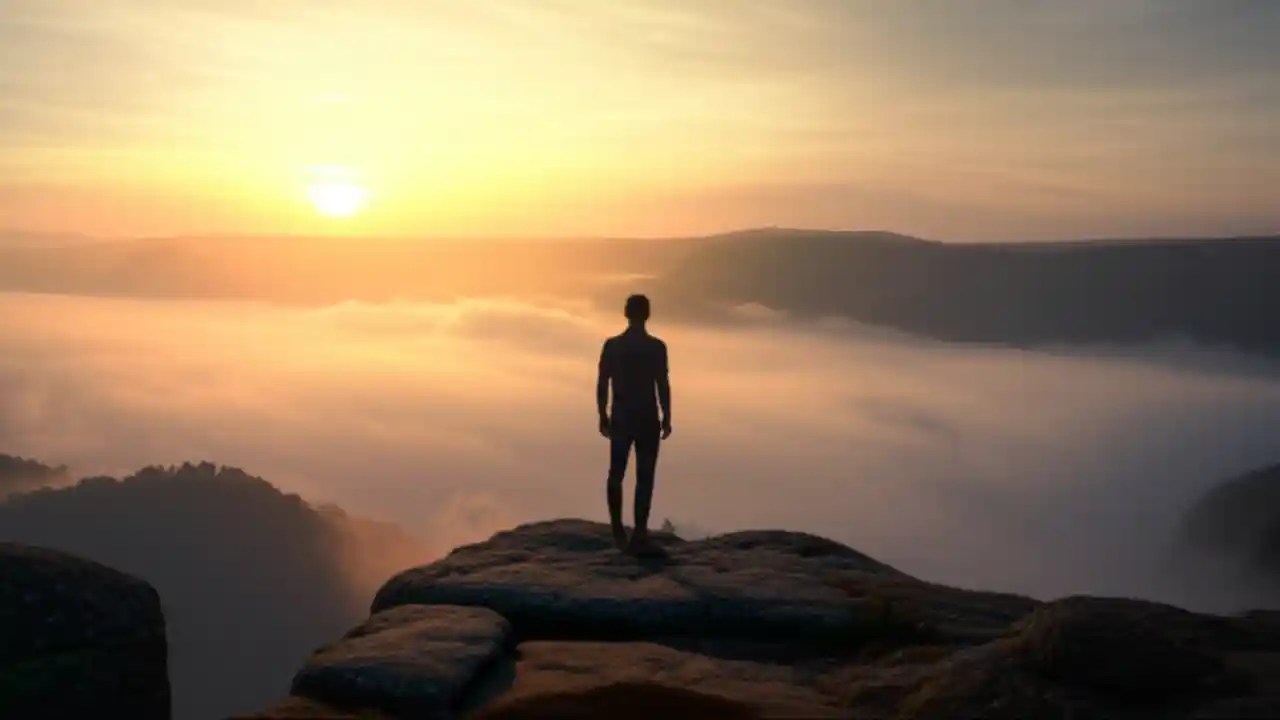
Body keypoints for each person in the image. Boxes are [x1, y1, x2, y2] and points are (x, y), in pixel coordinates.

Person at [597, 294, 672, 553]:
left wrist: (602, 415)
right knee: (645, 476)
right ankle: (639, 532)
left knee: (616, 474)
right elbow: (662, 384)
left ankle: (617, 529)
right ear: (647, 314)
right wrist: (667, 417)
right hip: (647, 417)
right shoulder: (656, 348)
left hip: (621, 414)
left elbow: (602, 382)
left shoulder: (612, 346)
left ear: (626, 313)